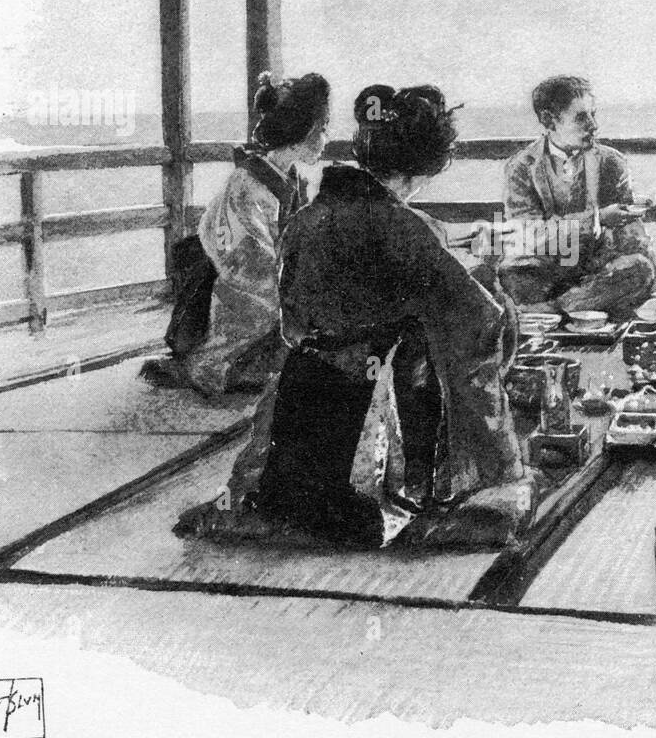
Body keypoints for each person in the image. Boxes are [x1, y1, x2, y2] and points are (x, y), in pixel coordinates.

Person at [177, 84, 537, 549]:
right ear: (429, 165)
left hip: (304, 405)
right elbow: (475, 333)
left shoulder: (308, 218)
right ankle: (471, 484)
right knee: (487, 309)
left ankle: (262, 497)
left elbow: (292, 322)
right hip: (380, 420)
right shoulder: (405, 227)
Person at [143, 71, 331, 396]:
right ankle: (211, 365)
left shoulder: (289, 180)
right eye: (323, 128)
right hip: (235, 276)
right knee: (273, 306)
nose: (326, 137)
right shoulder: (248, 184)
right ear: (302, 131)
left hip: (263, 271)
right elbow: (247, 254)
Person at [498, 75, 656, 319]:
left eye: (593, 114)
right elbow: (529, 235)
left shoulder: (611, 162)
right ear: (548, 120)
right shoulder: (521, 167)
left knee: (639, 269)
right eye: (582, 117)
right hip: (546, 270)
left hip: (597, 270)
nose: (594, 125)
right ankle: (578, 307)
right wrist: (597, 219)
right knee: (512, 270)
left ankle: (552, 311)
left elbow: (633, 233)